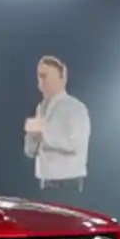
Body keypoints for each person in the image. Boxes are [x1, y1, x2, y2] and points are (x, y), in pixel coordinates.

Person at [23, 55, 91, 207]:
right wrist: (31, 135)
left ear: (62, 79)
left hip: (67, 185)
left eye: (47, 76)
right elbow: (30, 151)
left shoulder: (75, 108)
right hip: (44, 183)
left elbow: (75, 144)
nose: (42, 80)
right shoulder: (40, 108)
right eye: (40, 76)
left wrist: (44, 132)